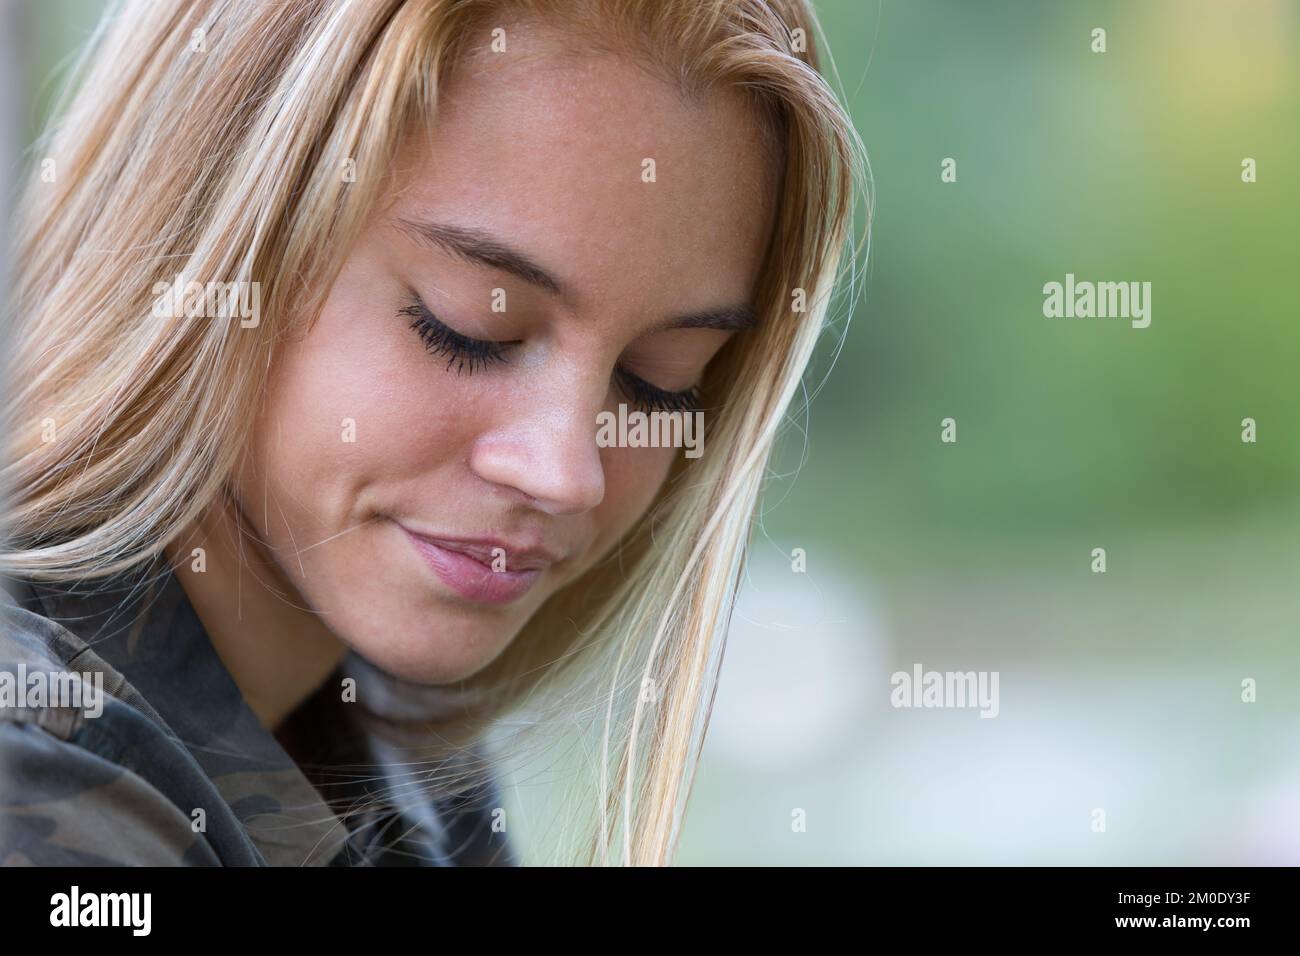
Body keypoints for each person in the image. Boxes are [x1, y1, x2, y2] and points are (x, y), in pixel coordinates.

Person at [0, 0, 867, 866]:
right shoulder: (35, 774)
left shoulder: (405, 766)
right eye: (469, 328)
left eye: (660, 379)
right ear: (212, 235)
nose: (567, 473)